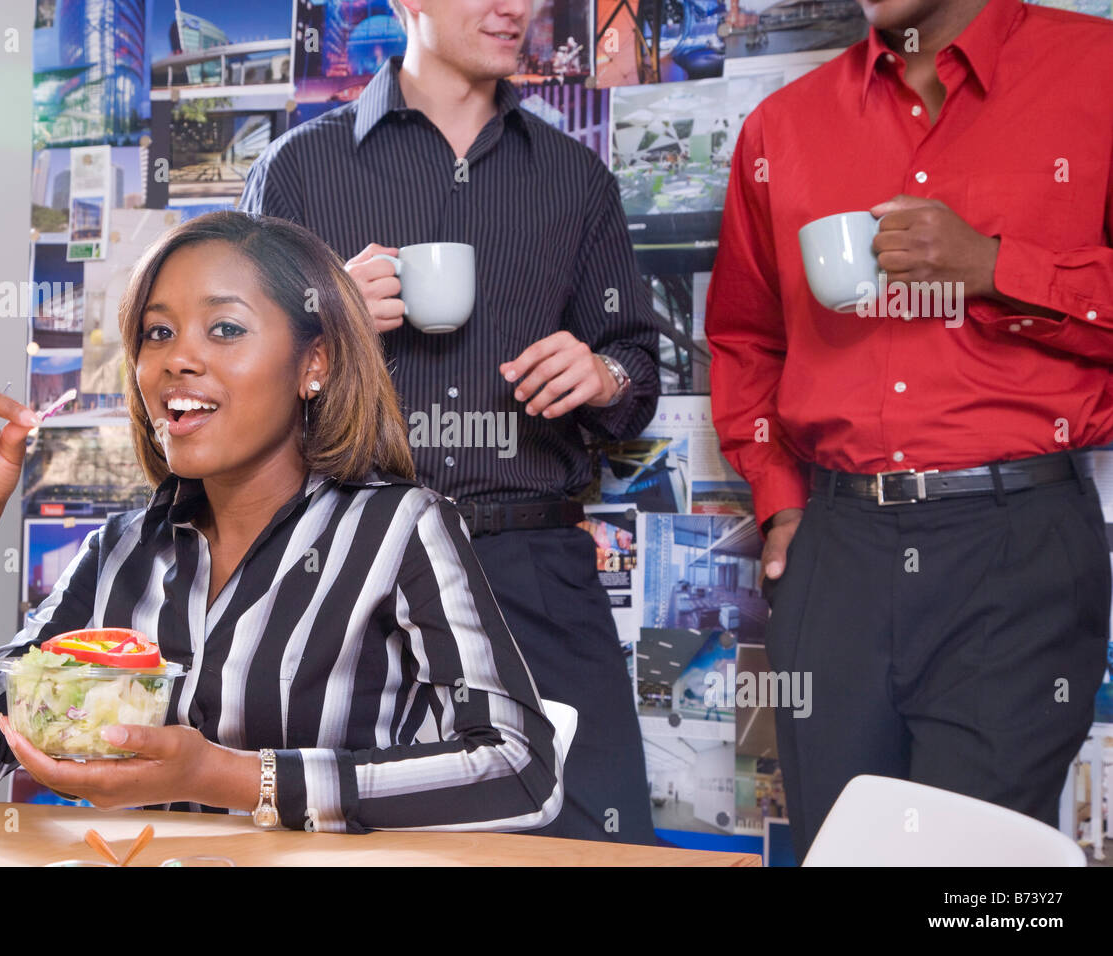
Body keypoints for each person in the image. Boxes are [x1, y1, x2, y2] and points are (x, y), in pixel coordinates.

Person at [0, 212, 563, 832]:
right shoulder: (117, 554)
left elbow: (520, 769)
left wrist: (229, 778)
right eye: (157, 332)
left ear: (313, 363)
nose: (179, 357)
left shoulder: (401, 529)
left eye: (225, 328)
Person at [240, 0, 660, 844]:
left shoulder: (576, 179)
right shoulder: (298, 169)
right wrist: (325, 318)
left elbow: (637, 373)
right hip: (350, 571)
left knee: (598, 850)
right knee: (347, 846)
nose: (518, 8)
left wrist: (602, 371)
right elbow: (235, 386)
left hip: (533, 571)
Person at [706, 0, 1113, 862]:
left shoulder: (1096, 72)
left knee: (966, 871)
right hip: (835, 549)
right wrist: (779, 500)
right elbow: (746, 340)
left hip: (1016, 549)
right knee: (844, 849)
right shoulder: (783, 126)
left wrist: (997, 267)